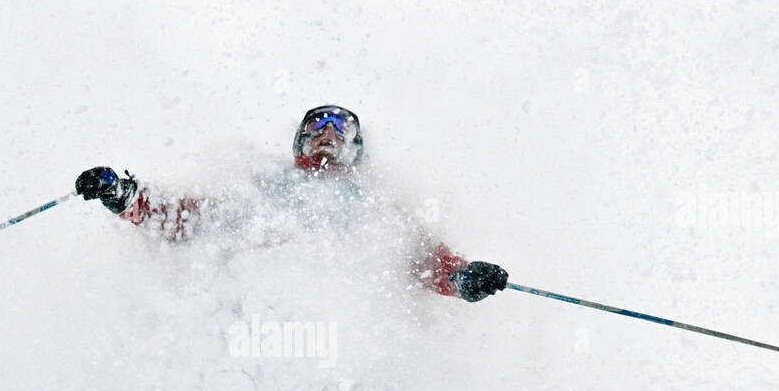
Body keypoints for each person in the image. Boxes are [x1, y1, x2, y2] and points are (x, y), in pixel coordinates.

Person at [74, 105, 508, 302]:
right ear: (301, 137)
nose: (329, 130)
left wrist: (462, 278)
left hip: (339, 324)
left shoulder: (374, 203)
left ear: (355, 147)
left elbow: (422, 261)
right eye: (318, 122)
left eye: (341, 126)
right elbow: (185, 221)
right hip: (257, 313)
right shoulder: (263, 181)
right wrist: (121, 195)